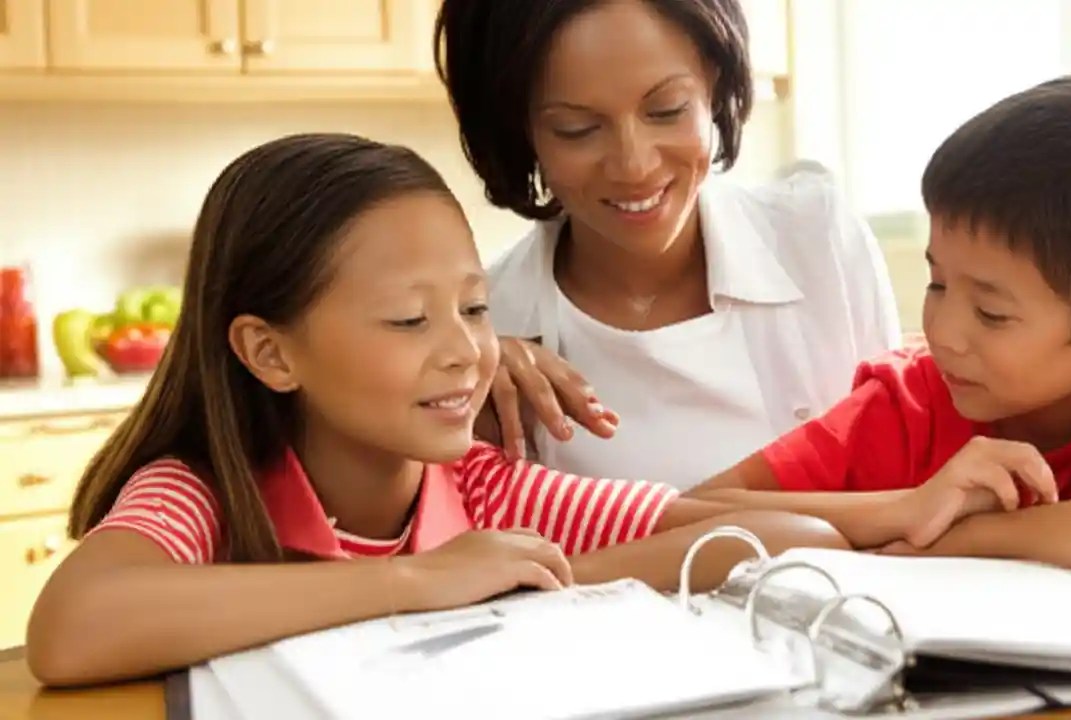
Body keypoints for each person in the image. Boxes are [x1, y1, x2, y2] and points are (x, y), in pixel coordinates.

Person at [25, 134, 850, 688]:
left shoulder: (481, 492)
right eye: (410, 321)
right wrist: (415, 582)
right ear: (270, 353)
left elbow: (782, 540)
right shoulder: (204, 490)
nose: (465, 351)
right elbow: (70, 631)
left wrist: (515, 587)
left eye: (476, 308)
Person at [688, 71, 1071, 586]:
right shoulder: (910, 401)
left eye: (992, 313)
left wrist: (976, 537)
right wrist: (908, 508)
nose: (942, 332)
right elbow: (688, 510)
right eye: (937, 283)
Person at [434, 0, 901, 487]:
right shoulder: (490, 329)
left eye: (666, 110)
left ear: (714, 83)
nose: (634, 167)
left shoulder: (818, 239)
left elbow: (906, 475)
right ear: (520, 131)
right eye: (577, 130)